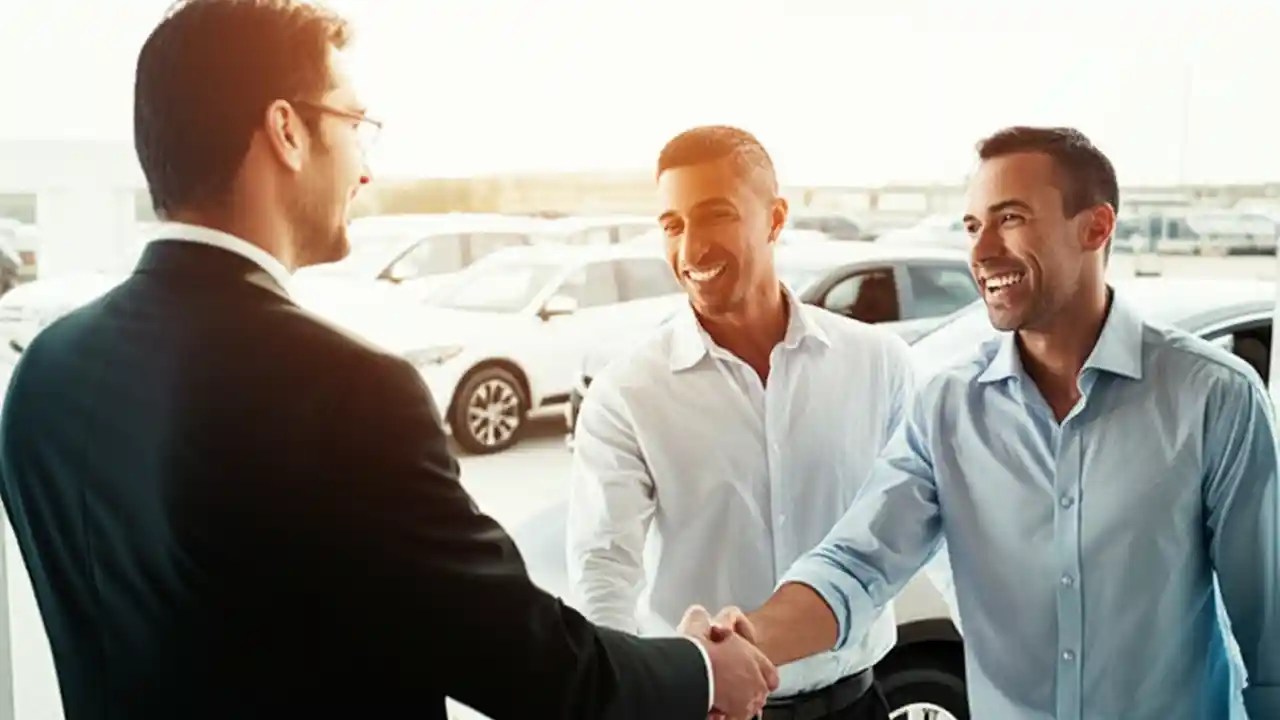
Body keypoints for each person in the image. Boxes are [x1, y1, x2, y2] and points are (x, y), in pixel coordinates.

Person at [0, 2, 778, 718]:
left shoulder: (45, 374)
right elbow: (531, 664)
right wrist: (703, 672)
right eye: (356, 125)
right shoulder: (343, 392)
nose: (367, 169)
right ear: (287, 130)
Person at [687, 126, 1280, 719]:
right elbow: (855, 566)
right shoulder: (946, 409)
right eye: (973, 227)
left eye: (1011, 218)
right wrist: (747, 641)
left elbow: (1270, 643)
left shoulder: (1214, 398)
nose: (982, 250)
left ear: (1096, 227)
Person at [566, 124, 944, 720]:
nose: (691, 250)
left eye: (715, 216)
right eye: (672, 225)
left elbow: (922, 528)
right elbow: (604, 573)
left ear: (775, 218)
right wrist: (626, 700)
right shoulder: (627, 393)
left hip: (858, 704)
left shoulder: (879, 364)